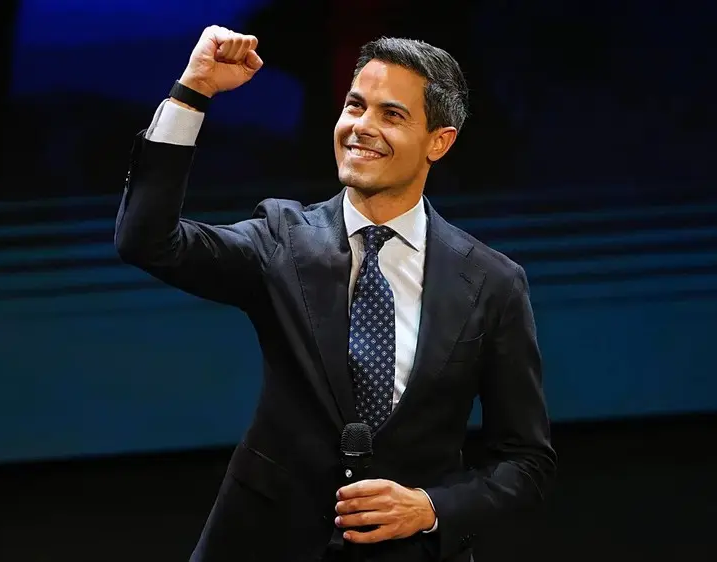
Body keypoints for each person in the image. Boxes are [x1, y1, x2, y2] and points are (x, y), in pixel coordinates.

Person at [114, 25, 556, 562]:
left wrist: (430, 507)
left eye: (391, 115)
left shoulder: (493, 282)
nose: (361, 126)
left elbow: (526, 463)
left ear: (439, 142)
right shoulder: (281, 239)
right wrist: (194, 90)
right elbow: (147, 241)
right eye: (355, 105)